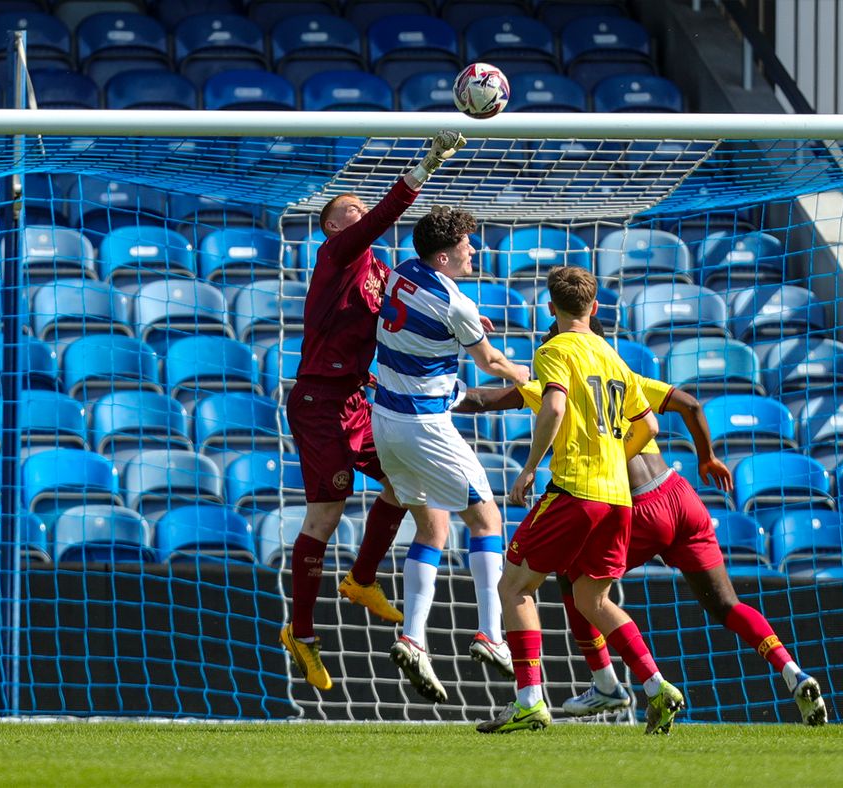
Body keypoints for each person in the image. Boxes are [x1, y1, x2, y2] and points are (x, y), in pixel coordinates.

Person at [456, 317, 829, 727]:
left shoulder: (562, 374)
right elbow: (690, 404)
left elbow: (486, 399)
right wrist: (706, 457)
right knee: (726, 603)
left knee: (573, 579)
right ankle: (793, 672)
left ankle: (606, 682)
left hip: (638, 508)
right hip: (680, 496)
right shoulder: (626, 376)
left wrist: (429, 394)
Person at [280, 130, 469, 693]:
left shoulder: (382, 274)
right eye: (352, 211)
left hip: (361, 400)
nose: (361, 215)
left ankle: (362, 579)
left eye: (362, 209)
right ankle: (302, 633)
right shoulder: (335, 255)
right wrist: (424, 167)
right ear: (335, 226)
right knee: (327, 513)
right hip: (318, 399)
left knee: (408, 483)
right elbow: (382, 217)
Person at [476, 265, 685, 735]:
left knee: (514, 587)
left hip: (575, 489)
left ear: (551, 308)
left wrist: (530, 467)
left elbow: (552, 405)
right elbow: (650, 427)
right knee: (592, 596)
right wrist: (615, 457)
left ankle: (530, 699)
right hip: (619, 501)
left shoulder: (555, 350)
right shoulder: (614, 357)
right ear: (593, 308)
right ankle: (657, 687)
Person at [371, 206, 531, 703]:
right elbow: (492, 361)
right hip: (423, 424)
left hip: (386, 419)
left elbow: (437, 320)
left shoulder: (402, 272)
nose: (474, 250)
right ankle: (491, 634)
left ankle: (414, 638)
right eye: (467, 243)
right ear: (444, 254)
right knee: (486, 521)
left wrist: (465, 323)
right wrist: (530, 376)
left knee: (431, 528)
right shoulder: (454, 303)